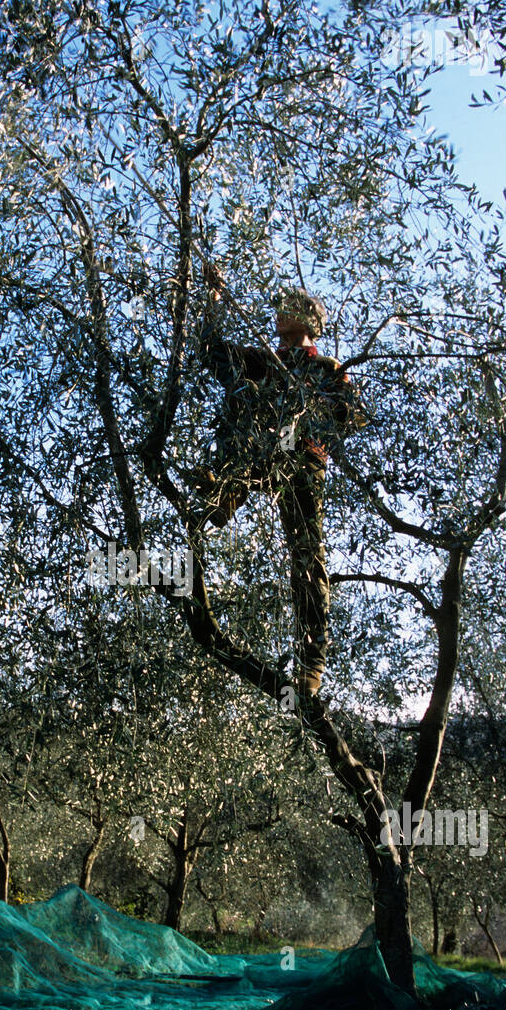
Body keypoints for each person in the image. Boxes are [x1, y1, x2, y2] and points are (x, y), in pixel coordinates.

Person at [190, 267, 367, 697]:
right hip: (260, 453)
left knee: (307, 559)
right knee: (241, 400)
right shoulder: (266, 362)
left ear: (309, 320)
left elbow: (355, 416)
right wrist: (213, 296)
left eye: (289, 307)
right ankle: (227, 490)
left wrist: (315, 410)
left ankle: (311, 665)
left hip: (301, 462)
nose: (279, 313)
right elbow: (211, 351)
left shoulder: (326, 367)